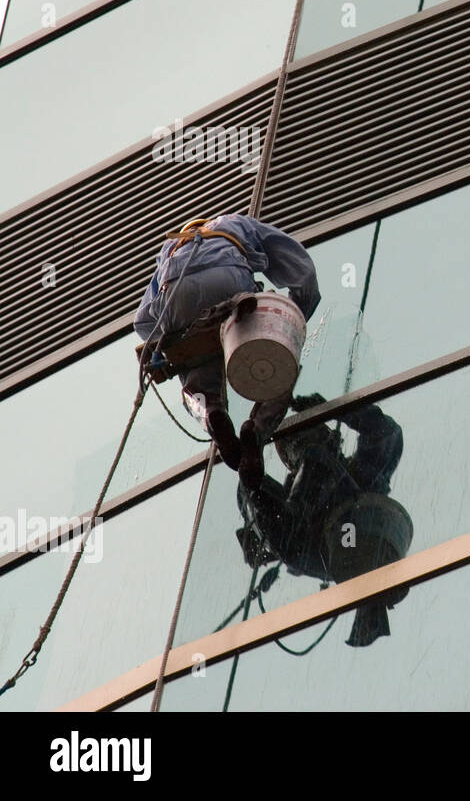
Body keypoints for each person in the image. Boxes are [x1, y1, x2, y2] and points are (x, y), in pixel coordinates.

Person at [134, 214, 321, 472]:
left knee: (196, 382)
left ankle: (211, 413)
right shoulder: (236, 223)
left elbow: (143, 322)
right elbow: (302, 271)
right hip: (228, 280)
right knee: (277, 360)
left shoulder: (170, 250)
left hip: (177, 297)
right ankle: (256, 431)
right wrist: (293, 321)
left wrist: (175, 332)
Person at [235, 394, 410, 647]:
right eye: (295, 446)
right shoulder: (293, 529)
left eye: (310, 435)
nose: (304, 447)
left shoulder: (363, 479)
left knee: (290, 488)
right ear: (291, 467)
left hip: (354, 533)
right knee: (262, 498)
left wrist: (333, 409)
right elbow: (251, 491)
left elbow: (386, 434)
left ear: (334, 440)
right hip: (320, 547)